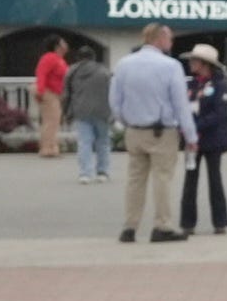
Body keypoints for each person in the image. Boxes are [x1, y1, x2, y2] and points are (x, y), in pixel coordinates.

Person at [106, 23, 195, 242]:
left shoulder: (124, 64)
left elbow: (114, 100)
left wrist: (125, 120)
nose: (171, 43)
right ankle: (162, 226)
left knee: (135, 180)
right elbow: (180, 104)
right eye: (170, 39)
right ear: (160, 39)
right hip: (162, 131)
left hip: (134, 130)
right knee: (162, 178)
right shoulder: (170, 66)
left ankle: (129, 227)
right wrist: (191, 135)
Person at [177, 41, 227, 235]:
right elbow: (183, 108)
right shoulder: (190, 85)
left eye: (195, 60)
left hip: (213, 139)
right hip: (192, 141)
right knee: (189, 182)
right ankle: (187, 223)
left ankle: (220, 222)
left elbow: (219, 114)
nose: (191, 63)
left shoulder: (220, 85)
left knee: (215, 181)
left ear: (205, 63)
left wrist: (194, 126)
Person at [63, 41, 113, 181]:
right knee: (103, 142)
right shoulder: (104, 70)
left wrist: (66, 112)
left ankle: (85, 173)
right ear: (93, 57)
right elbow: (112, 91)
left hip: (81, 110)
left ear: (79, 57)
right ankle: (102, 172)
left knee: (84, 142)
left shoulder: (71, 71)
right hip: (102, 110)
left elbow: (66, 94)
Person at [32, 44, 71, 159]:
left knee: (53, 120)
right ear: (57, 46)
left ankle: (50, 147)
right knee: (51, 120)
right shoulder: (49, 58)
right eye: (63, 43)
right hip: (48, 92)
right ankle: (48, 149)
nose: (66, 46)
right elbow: (41, 73)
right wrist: (40, 90)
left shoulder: (59, 59)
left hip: (55, 93)